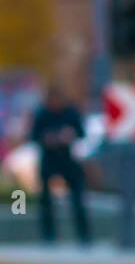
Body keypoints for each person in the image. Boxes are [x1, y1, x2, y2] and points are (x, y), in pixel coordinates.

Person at [29, 83, 92, 245]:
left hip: (68, 160)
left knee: (78, 199)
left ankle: (84, 236)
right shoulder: (42, 114)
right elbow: (33, 136)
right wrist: (47, 138)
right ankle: (48, 236)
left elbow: (81, 133)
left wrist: (69, 136)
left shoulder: (70, 113)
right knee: (45, 201)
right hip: (49, 160)